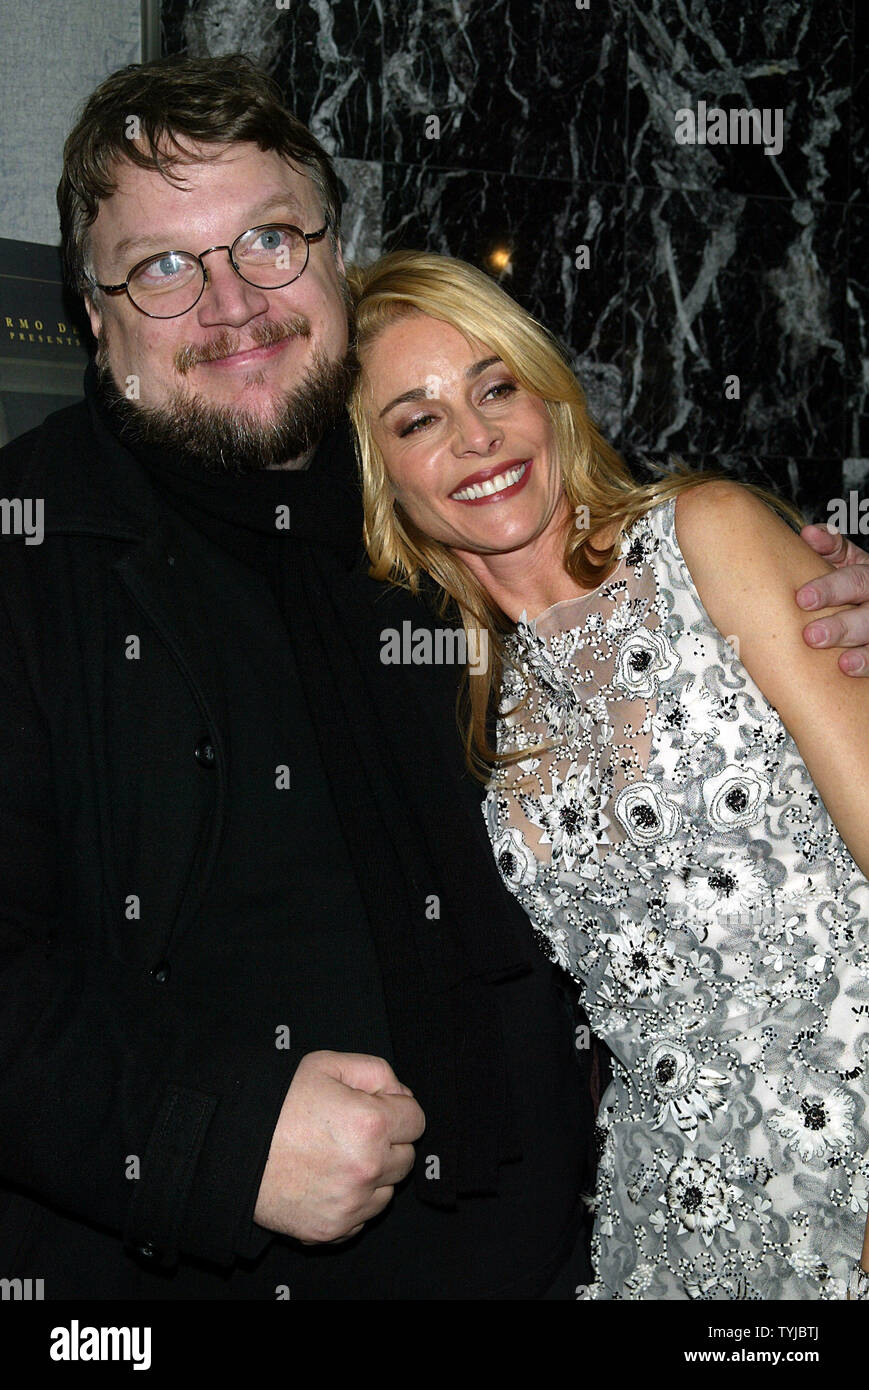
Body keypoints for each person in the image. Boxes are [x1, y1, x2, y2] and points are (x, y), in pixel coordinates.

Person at [0, 55, 598, 1300]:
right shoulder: (26, 552)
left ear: (338, 259)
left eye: (269, 239)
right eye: (163, 268)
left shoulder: (453, 473)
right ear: (96, 321)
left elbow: (666, 570)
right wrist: (205, 1143)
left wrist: (808, 605)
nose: (233, 303)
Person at [347, 250, 869, 1300]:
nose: (475, 437)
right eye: (417, 419)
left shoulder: (703, 537)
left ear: (550, 396)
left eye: (495, 386)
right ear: (380, 473)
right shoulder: (462, 708)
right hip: (669, 1224)